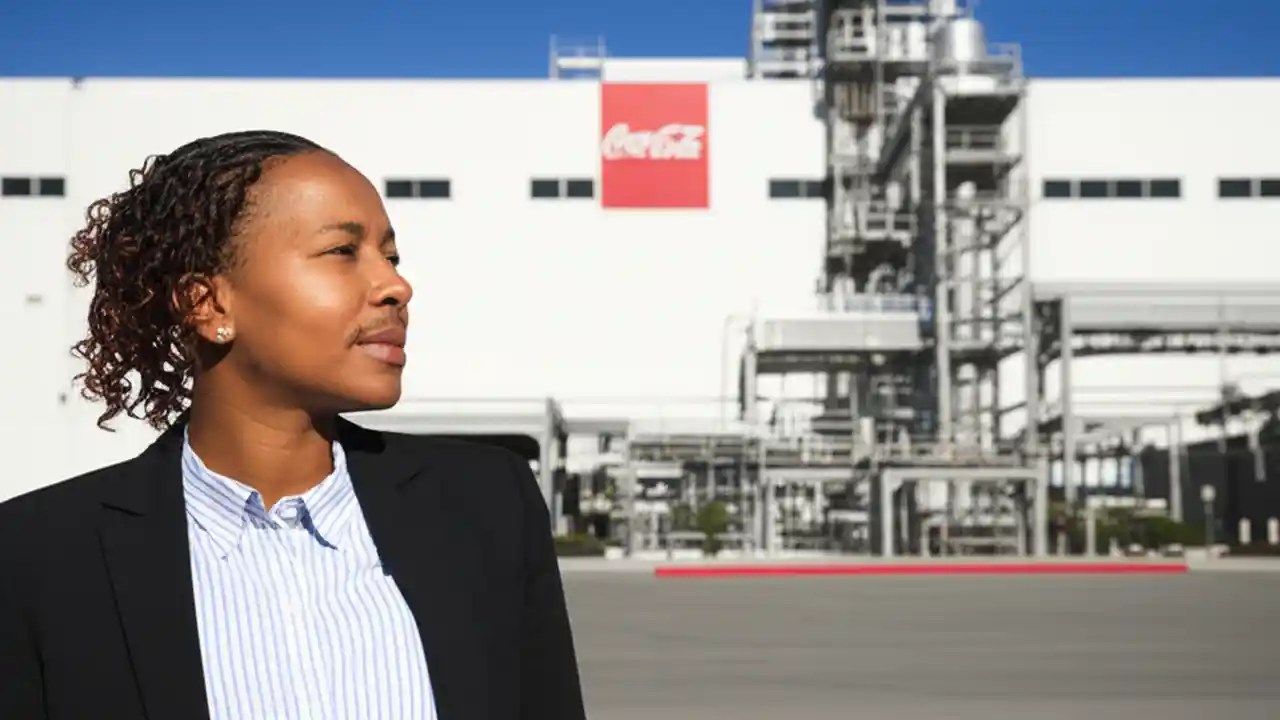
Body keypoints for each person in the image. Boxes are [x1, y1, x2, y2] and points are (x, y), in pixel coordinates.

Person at [0, 130, 587, 720]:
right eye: (342, 252)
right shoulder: (38, 557)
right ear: (208, 303)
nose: (395, 286)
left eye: (391, 256)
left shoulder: (487, 505)